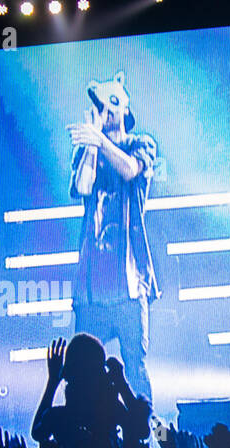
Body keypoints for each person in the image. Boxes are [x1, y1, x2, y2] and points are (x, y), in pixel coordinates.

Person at [67, 71, 160, 404]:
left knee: (135, 366)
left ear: (122, 108)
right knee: (82, 372)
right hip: (91, 289)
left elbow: (131, 170)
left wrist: (98, 139)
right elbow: (82, 187)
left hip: (129, 287)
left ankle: (144, 437)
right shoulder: (90, 147)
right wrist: (91, 145)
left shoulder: (141, 143)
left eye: (108, 106)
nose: (103, 112)